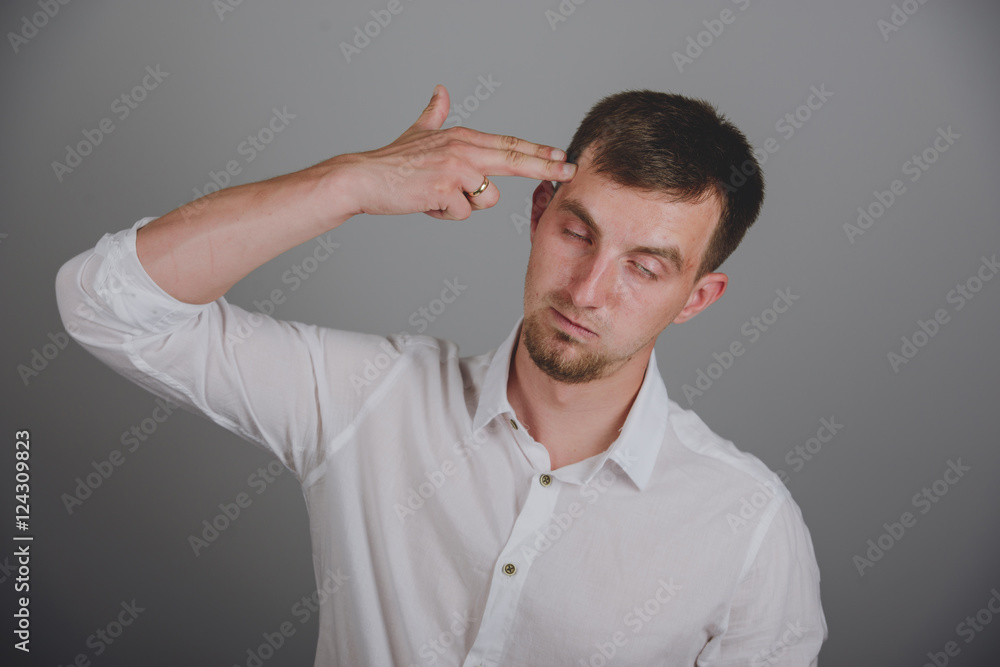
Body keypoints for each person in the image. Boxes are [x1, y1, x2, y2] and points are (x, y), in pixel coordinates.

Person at [56, 84, 827, 665]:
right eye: (576, 232)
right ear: (537, 215)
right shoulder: (374, 401)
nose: (588, 290)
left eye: (645, 268)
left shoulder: (749, 527)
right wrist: (351, 183)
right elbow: (106, 303)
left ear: (697, 298)